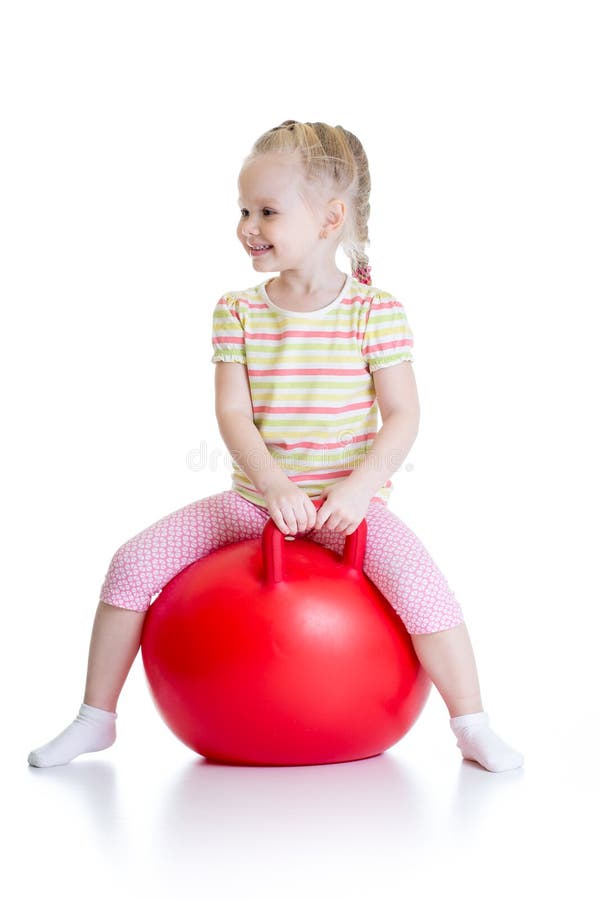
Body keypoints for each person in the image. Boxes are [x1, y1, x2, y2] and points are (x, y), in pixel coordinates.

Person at [28, 119, 523, 773]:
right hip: (254, 504)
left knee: (428, 595)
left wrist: (355, 490)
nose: (247, 226)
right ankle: (96, 718)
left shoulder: (375, 312)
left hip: (352, 515)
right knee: (130, 566)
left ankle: (471, 725)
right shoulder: (238, 310)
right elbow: (232, 412)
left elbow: (403, 415)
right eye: (243, 210)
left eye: (267, 211)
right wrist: (275, 487)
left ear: (328, 218)